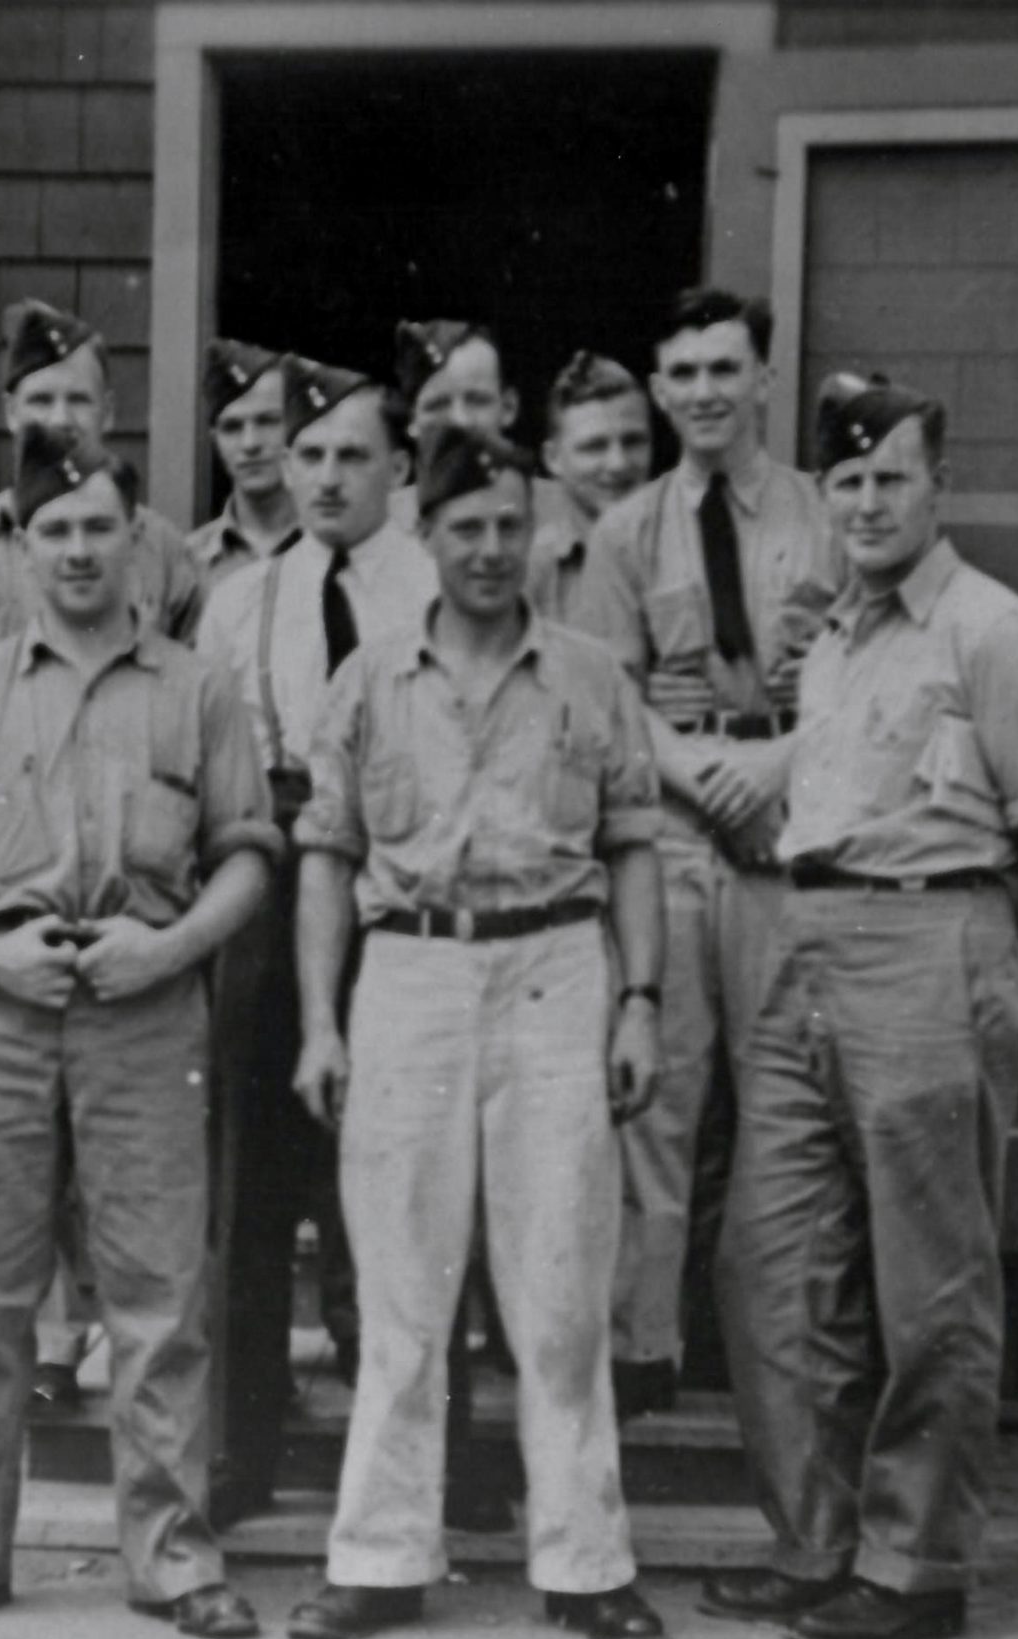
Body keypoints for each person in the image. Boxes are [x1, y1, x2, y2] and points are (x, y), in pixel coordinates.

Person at [708, 372, 1018, 1639]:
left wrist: (1010, 1004)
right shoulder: (833, 639)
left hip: (936, 943)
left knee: (929, 1284)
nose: (868, 501)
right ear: (823, 494)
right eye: (848, 481)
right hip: (807, 941)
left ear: (939, 486)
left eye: (891, 478)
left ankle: (915, 1564)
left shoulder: (993, 634)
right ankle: (816, 1544)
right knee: (773, 1261)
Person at [0, 426, 281, 1639]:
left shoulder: (196, 690)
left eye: (99, 524)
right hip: (2, 1006)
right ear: (23, 543)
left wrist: (169, 949)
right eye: (53, 529)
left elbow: (247, 855)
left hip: (146, 1008)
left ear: (137, 538)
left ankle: (169, 1552)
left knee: (159, 1291)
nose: (78, 548)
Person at [284, 423, 670, 1639]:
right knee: (400, 1286)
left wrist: (641, 1000)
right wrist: (318, 1023)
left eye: (508, 525)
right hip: (407, 972)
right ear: (427, 535)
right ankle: (382, 1558)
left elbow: (631, 847)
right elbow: (326, 862)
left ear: (534, 530)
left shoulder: (592, 676)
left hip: (557, 967)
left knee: (559, 1290)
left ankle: (586, 1561)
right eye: (465, 529)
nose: (491, 549)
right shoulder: (367, 682)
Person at [570, 288, 843, 1424]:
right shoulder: (626, 532)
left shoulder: (830, 513)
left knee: (785, 1099)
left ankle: (771, 1349)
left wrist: (777, 766)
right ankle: (642, 1350)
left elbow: (869, 673)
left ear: (763, 378)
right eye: (679, 373)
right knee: (658, 1096)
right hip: (677, 826)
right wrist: (702, 773)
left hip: (794, 822)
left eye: (723, 369)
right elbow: (605, 694)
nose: (701, 393)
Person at [192, 354, 435, 1529]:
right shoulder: (243, 599)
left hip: (395, 886)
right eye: (309, 455)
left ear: (399, 466)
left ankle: (413, 1461)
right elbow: (226, 765)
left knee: (394, 1181)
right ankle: (240, 1451)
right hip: (275, 871)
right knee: (250, 1183)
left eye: (352, 455)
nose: (328, 477)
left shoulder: (437, 588)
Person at [0, 297, 206, 645]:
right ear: (11, 412)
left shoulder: (165, 553)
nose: (60, 420)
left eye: (78, 400)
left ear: (107, 412)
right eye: (41, 401)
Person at [386, 318, 574, 538]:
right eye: (438, 405)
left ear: (508, 408)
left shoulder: (565, 513)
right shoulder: (383, 523)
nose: (460, 420)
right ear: (411, 419)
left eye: (476, 401)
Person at [529, 350, 654, 618]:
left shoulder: (689, 548)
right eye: (595, 447)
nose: (618, 463)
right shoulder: (528, 573)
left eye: (633, 441)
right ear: (553, 458)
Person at [189, 337, 298, 594]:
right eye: (232, 427)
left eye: (267, 421)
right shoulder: (188, 564)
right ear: (215, 440)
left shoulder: (333, 546)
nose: (250, 443)